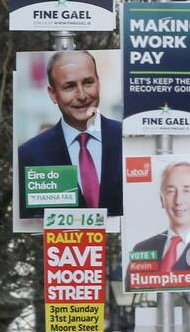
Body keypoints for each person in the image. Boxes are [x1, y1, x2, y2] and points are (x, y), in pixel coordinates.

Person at [17, 51, 122, 216]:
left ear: (99, 84)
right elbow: (31, 221)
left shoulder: (127, 139)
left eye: (88, 83)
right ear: (53, 94)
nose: (81, 95)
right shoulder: (31, 155)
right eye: (69, 86)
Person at [126, 161, 190, 286]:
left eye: (186, 190)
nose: (178, 200)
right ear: (162, 199)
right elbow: (131, 289)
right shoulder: (142, 248)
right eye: (171, 191)